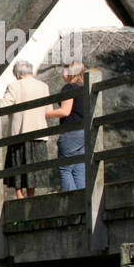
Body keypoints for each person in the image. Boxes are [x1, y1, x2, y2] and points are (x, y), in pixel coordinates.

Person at [1, 61, 51, 199]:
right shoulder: (43, 86)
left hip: (20, 133)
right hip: (39, 132)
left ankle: (19, 196)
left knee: (18, 165)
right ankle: (31, 196)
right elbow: (48, 110)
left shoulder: (14, 86)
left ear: (17, 74)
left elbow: (2, 106)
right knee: (33, 169)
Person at [46, 61, 87, 191]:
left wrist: (45, 113)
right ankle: (82, 201)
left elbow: (65, 111)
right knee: (78, 168)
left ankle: (70, 203)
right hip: (83, 132)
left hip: (71, 132)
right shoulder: (85, 88)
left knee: (65, 169)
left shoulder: (69, 88)